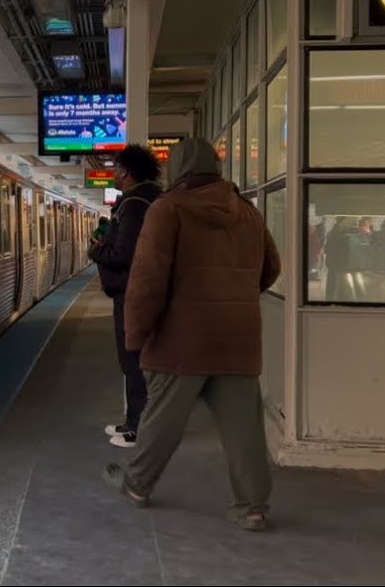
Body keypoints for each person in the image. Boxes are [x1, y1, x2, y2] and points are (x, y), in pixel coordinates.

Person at [101, 137, 281, 531]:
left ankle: (136, 485)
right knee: (245, 429)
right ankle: (252, 506)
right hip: (238, 340)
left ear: (179, 169)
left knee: (161, 420)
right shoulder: (247, 212)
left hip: (181, 341)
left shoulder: (168, 210)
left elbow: (147, 282)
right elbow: (271, 268)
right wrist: (237, 294)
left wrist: (136, 336)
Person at [88, 144, 163, 448]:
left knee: (132, 360)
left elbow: (123, 254)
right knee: (136, 359)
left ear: (128, 173)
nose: (115, 177)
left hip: (132, 294)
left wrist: (95, 249)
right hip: (139, 291)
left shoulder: (133, 206)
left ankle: (137, 427)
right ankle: (134, 420)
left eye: (117, 171)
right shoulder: (148, 200)